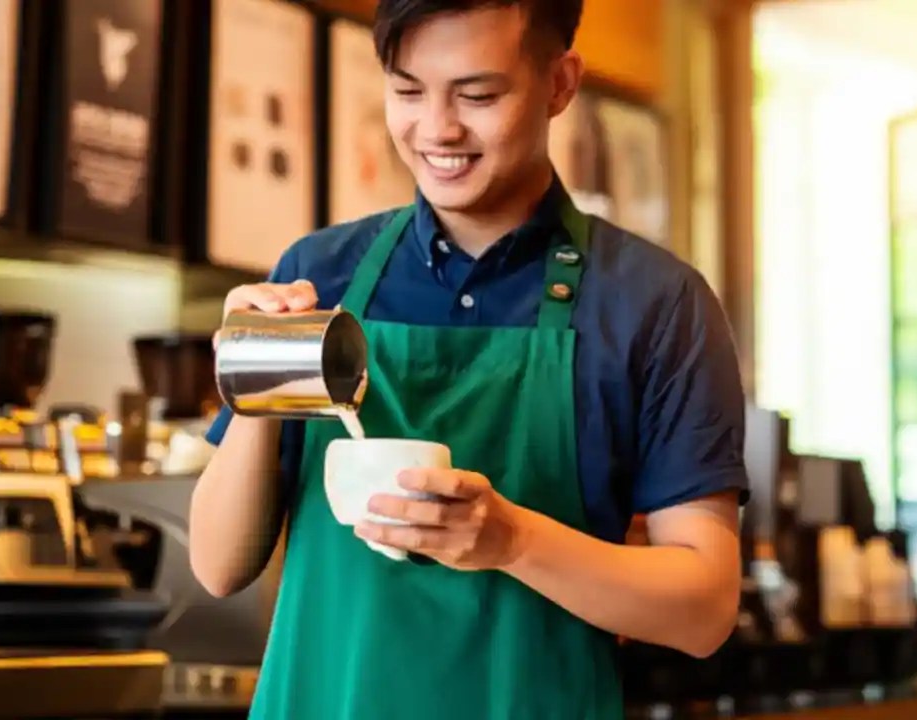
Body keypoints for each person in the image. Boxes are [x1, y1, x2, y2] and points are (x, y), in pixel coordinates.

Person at [189, 1, 748, 718]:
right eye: (407, 90)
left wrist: (511, 539)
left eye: (478, 95)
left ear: (560, 84)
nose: (437, 129)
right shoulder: (321, 274)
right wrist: (253, 373)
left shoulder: (654, 304)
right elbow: (218, 564)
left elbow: (703, 609)